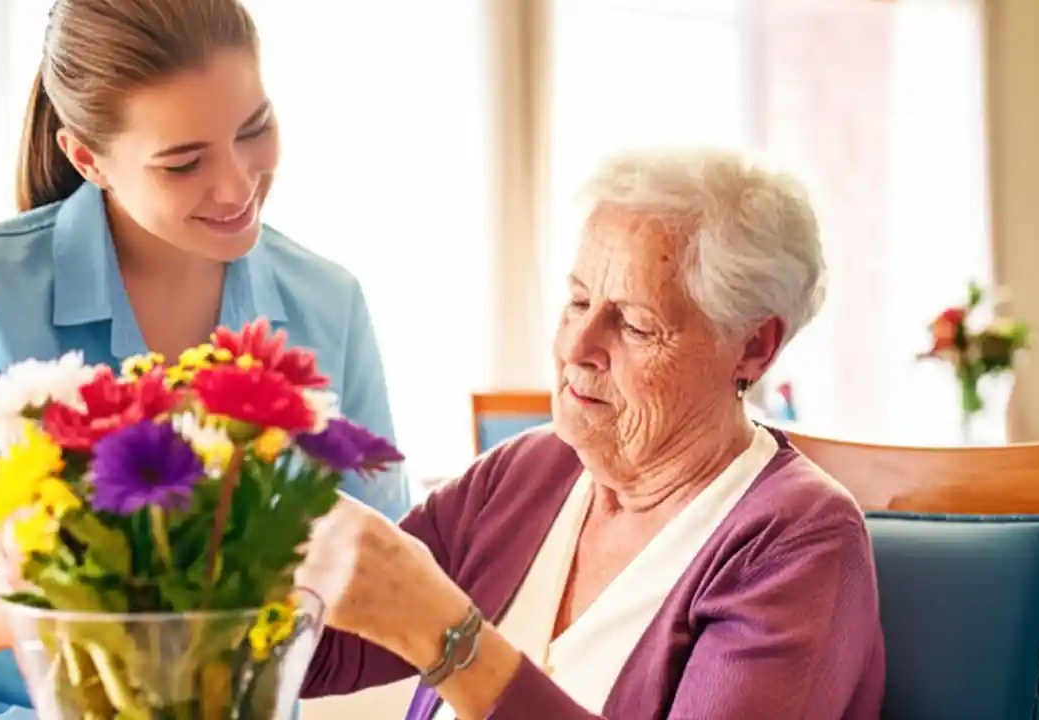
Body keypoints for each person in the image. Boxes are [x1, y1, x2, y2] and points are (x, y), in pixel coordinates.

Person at [0, 1, 409, 717]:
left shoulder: (330, 302)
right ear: (88, 158)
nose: (236, 185)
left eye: (254, 129)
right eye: (183, 161)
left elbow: (386, 570)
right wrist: (50, 606)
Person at [297, 149, 885, 719]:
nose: (576, 347)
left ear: (754, 348)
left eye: (634, 324)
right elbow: (318, 653)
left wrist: (449, 639)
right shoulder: (529, 470)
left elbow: (430, 628)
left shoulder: (797, 542)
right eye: (578, 300)